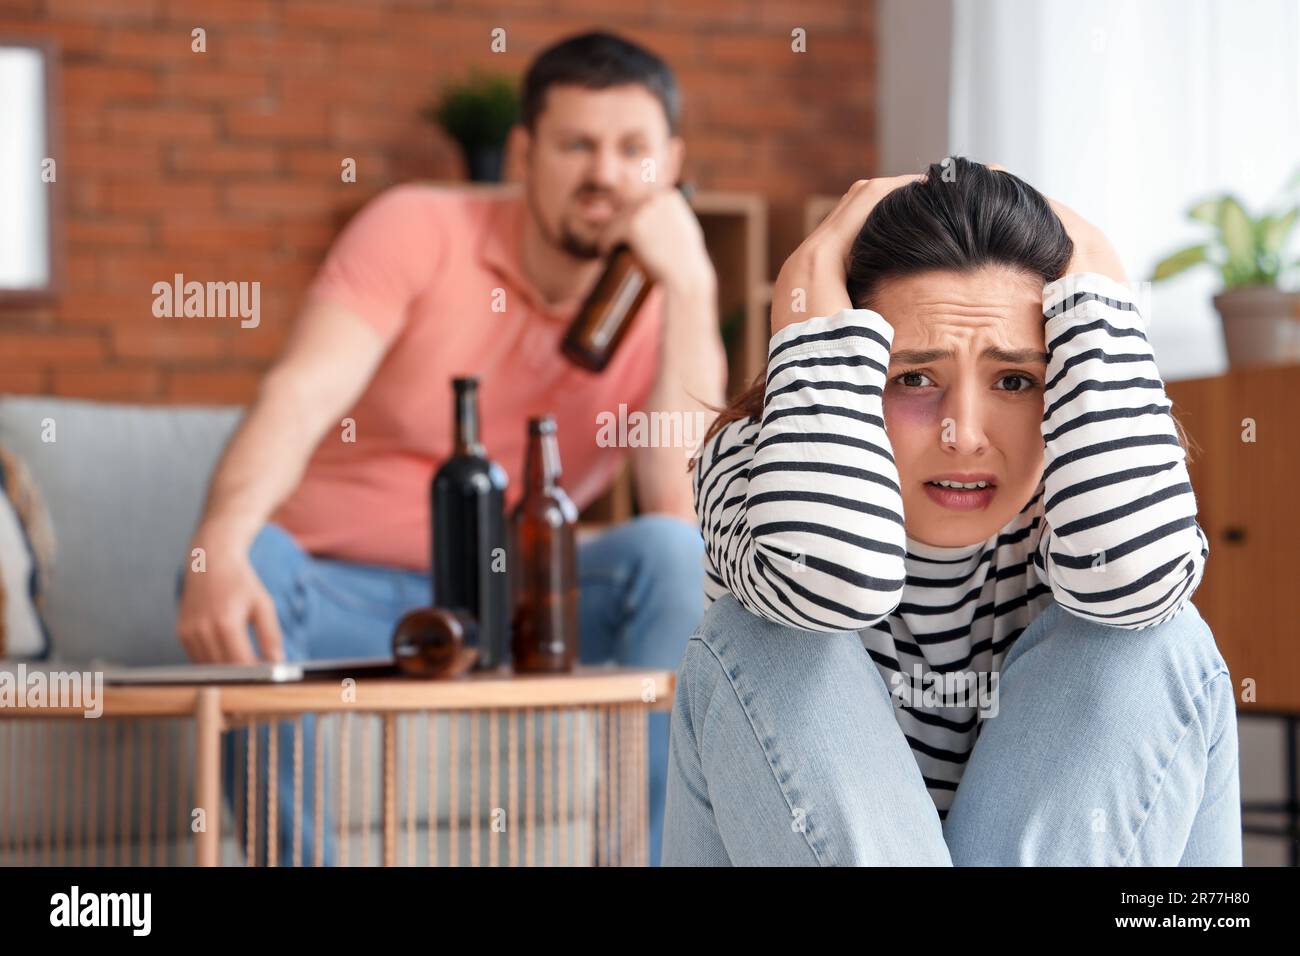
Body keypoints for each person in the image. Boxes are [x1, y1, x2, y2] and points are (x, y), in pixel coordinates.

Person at [176, 31, 726, 867]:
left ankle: (650, 858)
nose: (605, 175)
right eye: (577, 144)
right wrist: (217, 539)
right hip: (341, 595)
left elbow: (676, 511)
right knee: (247, 554)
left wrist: (691, 286)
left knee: (669, 556)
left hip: (518, 606)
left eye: (632, 151)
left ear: (672, 164)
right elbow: (302, 392)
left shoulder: (658, 303)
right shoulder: (416, 227)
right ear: (523, 150)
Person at [664, 158, 1241, 865]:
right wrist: (811, 270)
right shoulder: (753, 469)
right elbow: (826, 580)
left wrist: (1097, 267)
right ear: (842, 367)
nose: (963, 432)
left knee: (1157, 637)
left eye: (1013, 379)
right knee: (763, 635)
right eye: (913, 377)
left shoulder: (1092, 495)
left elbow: (1138, 578)